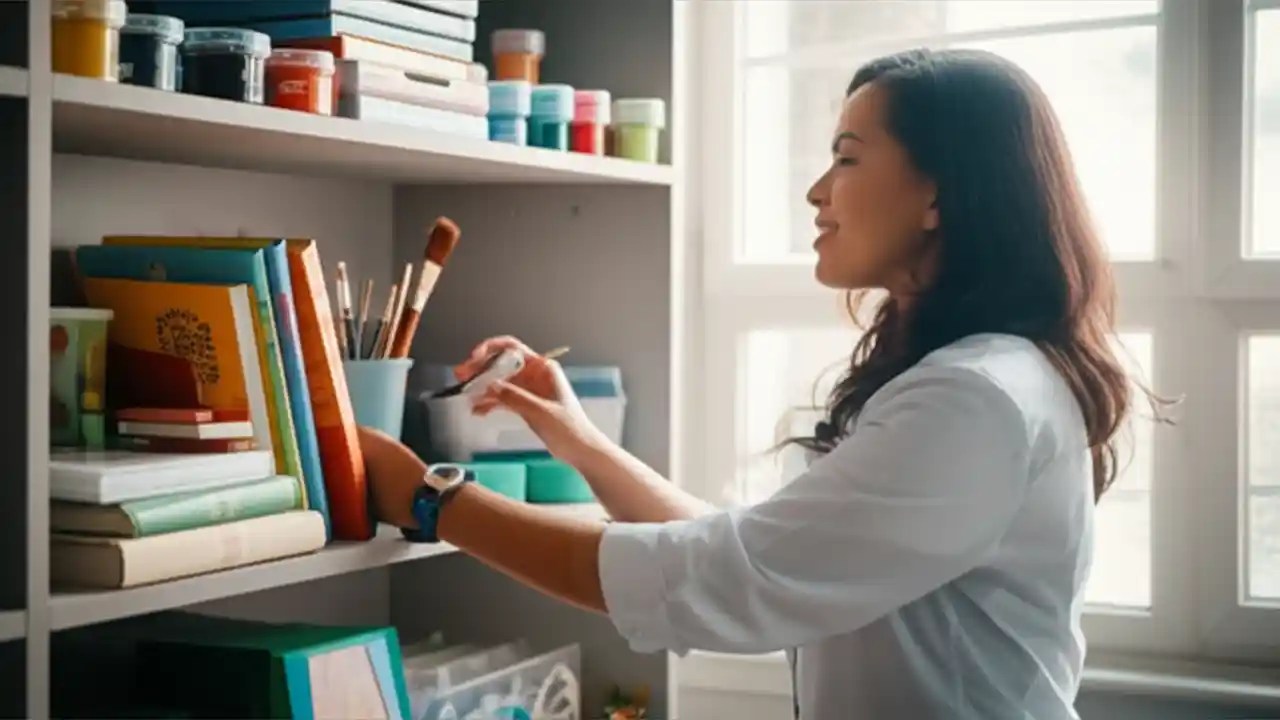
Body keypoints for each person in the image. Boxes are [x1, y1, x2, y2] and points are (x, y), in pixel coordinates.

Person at [360, 47, 1151, 719]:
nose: (818, 191)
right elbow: (770, 566)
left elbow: (728, 580)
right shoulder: (983, 378)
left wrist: (430, 499)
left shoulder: (975, 399)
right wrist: (580, 440)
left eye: (846, 158)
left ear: (938, 193)